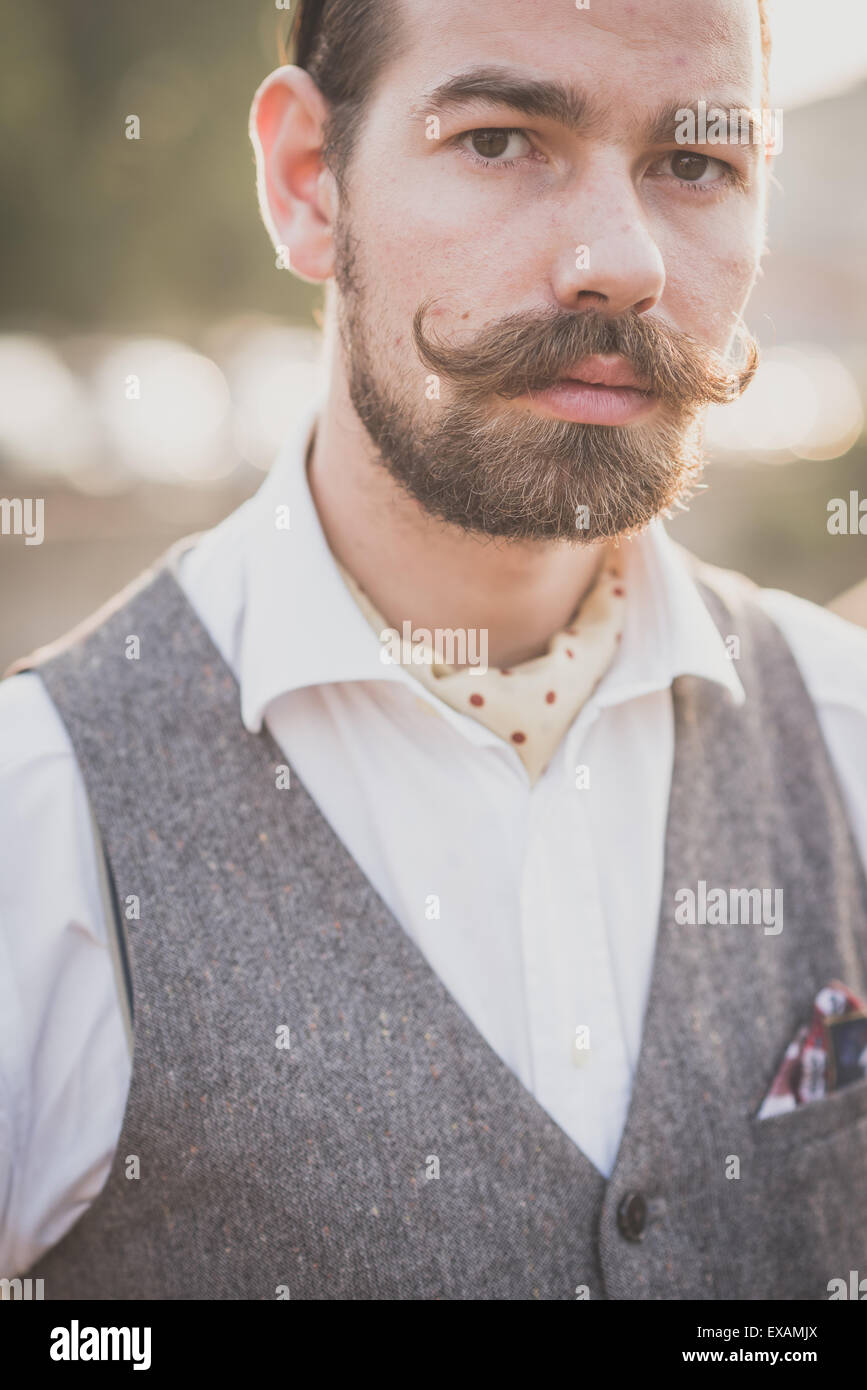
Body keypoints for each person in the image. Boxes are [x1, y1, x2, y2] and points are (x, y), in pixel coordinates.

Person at [1, 0, 866, 1300]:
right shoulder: (43, 823)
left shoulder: (850, 733)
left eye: (698, 162)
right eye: (504, 139)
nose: (619, 261)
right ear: (309, 182)